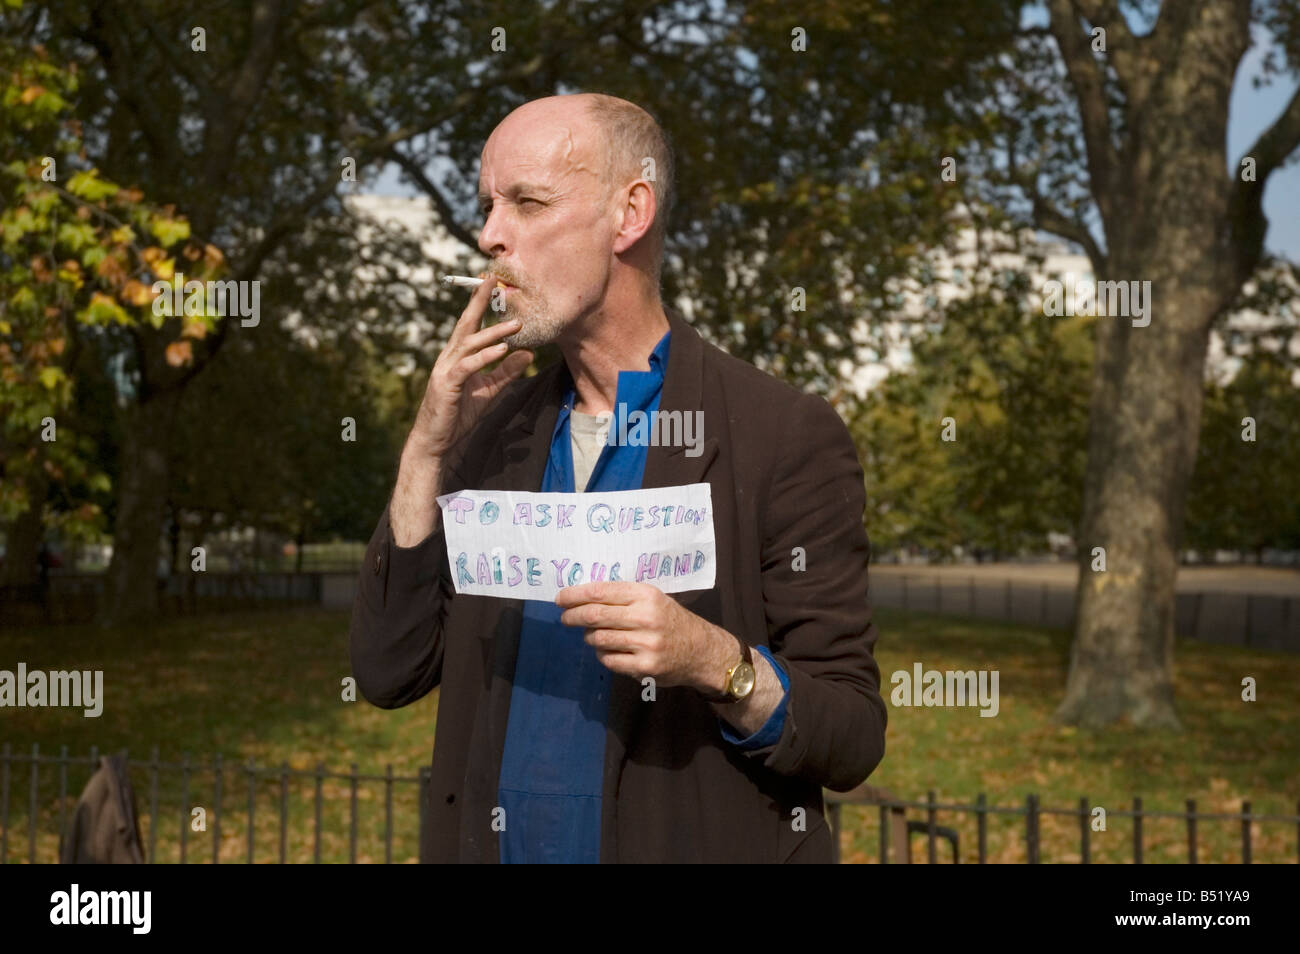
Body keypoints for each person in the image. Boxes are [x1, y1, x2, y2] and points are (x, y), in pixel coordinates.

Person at [348, 92, 886, 863]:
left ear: (629, 214)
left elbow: (853, 735)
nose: (489, 234)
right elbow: (388, 670)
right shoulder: (495, 431)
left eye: (527, 202)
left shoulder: (780, 435)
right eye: (489, 206)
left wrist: (715, 662)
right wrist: (426, 453)